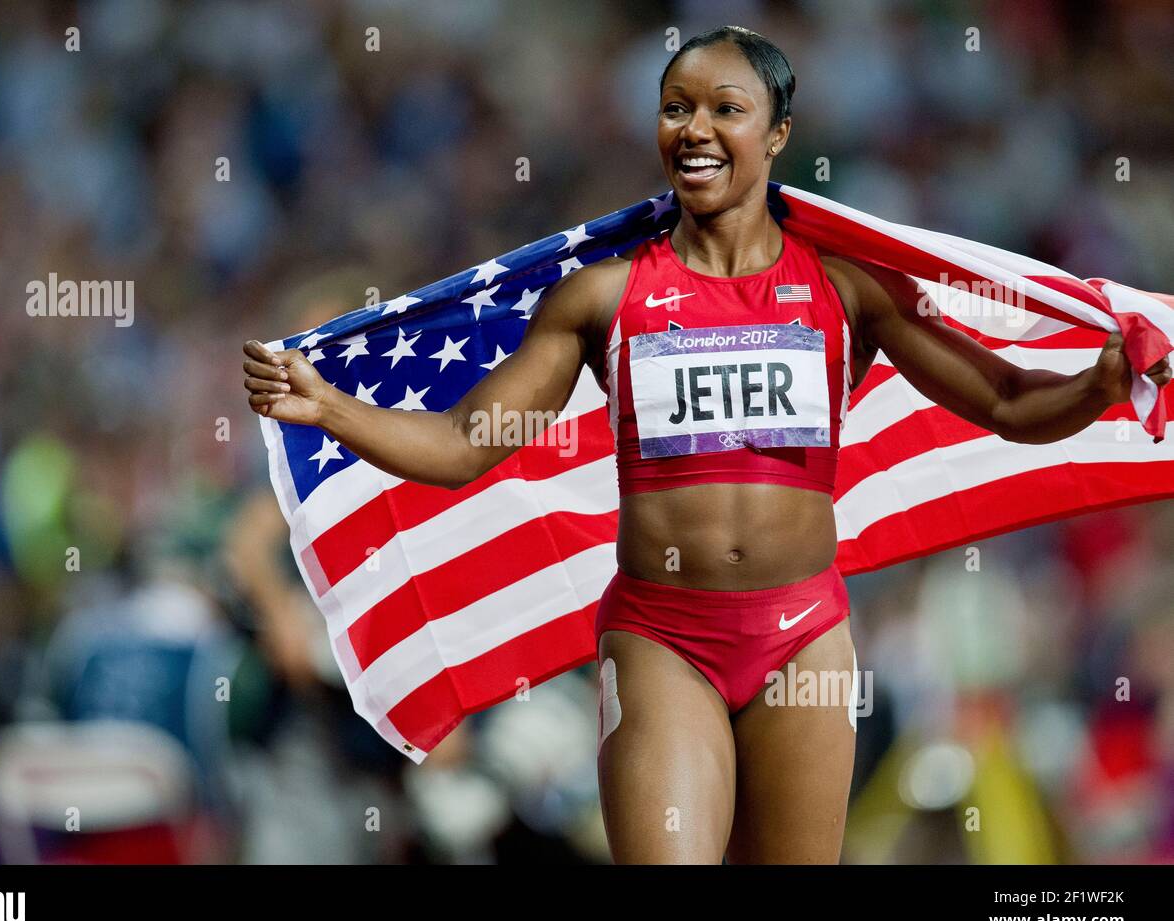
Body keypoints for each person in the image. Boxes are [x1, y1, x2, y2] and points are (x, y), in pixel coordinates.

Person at [242, 26, 1171, 864]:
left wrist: (1095, 385)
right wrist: (330, 409)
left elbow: (1008, 401)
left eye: (725, 109)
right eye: (676, 108)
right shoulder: (601, 299)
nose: (694, 128)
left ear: (776, 135)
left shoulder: (848, 289)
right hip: (660, 639)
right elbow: (463, 444)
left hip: (803, 637)